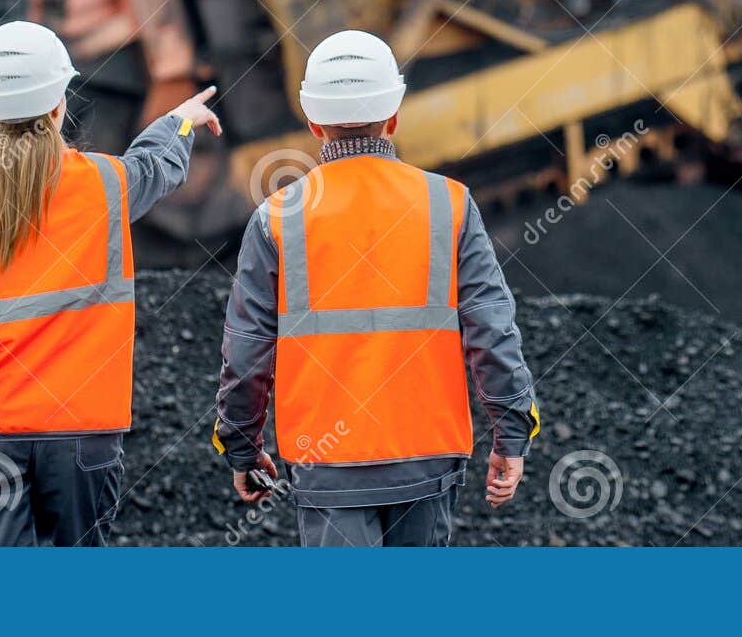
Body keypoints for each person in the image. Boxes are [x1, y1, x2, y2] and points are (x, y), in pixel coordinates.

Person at [0, 20, 221, 546]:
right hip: (80, 432)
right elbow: (156, 167)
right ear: (60, 104)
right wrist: (180, 120)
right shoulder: (107, 184)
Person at [213, 29, 539, 547]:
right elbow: (492, 330)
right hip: (426, 457)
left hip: (328, 465)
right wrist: (512, 433)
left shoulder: (277, 216)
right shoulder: (448, 204)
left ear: (313, 121)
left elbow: (247, 350)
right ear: (394, 116)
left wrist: (242, 448)